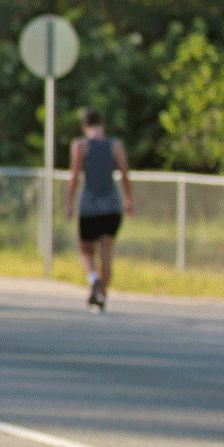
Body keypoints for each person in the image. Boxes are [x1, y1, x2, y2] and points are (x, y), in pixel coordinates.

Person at [64, 107, 133, 310]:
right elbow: (125, 174)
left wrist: (69, 203)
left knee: (86, 250)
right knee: (106, 254)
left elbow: (75, 176)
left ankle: (93, 278)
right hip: (112, 206)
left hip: (89, 206)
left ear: (85, 126)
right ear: (102, 124)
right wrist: (129, 200)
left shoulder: (80, 145)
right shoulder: (115, 145)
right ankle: (101, 296)